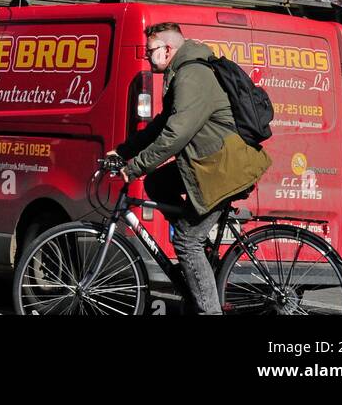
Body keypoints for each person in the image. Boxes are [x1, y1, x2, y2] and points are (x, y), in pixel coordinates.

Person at [109, 22, 271, 316]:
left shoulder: (191, 76)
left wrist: (135, 168)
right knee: (158, 183)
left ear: (168, 49)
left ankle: (208, 309)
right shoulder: (181, 72)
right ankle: (199, 260)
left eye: (150, 51)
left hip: (224, 171)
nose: (147, 57)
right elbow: (160, 125)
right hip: (207, 166)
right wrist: (123, 152)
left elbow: (175, 135)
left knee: (185, 241)